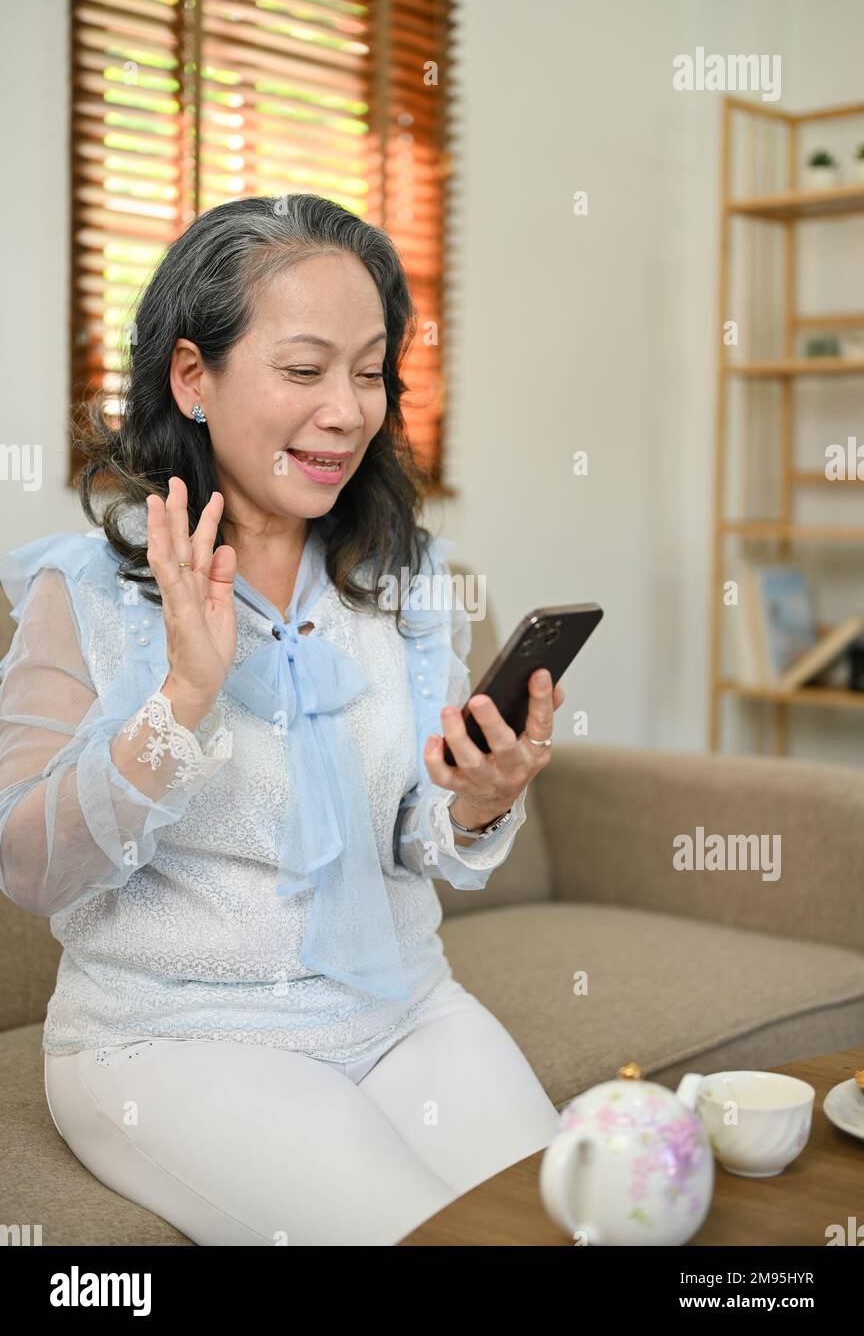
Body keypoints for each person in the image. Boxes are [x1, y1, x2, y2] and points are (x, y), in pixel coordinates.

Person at [0, 194, 565, 1246]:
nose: (349, 411)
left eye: (368, 372)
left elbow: (410, 832)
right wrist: (182, 695)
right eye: (305, 371)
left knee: (569, 1229)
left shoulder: (403, 576)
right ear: (191, 377)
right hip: (176, 1038)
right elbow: (31, 869)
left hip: (403, 1008)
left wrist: (477, 801)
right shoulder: (82, 591)